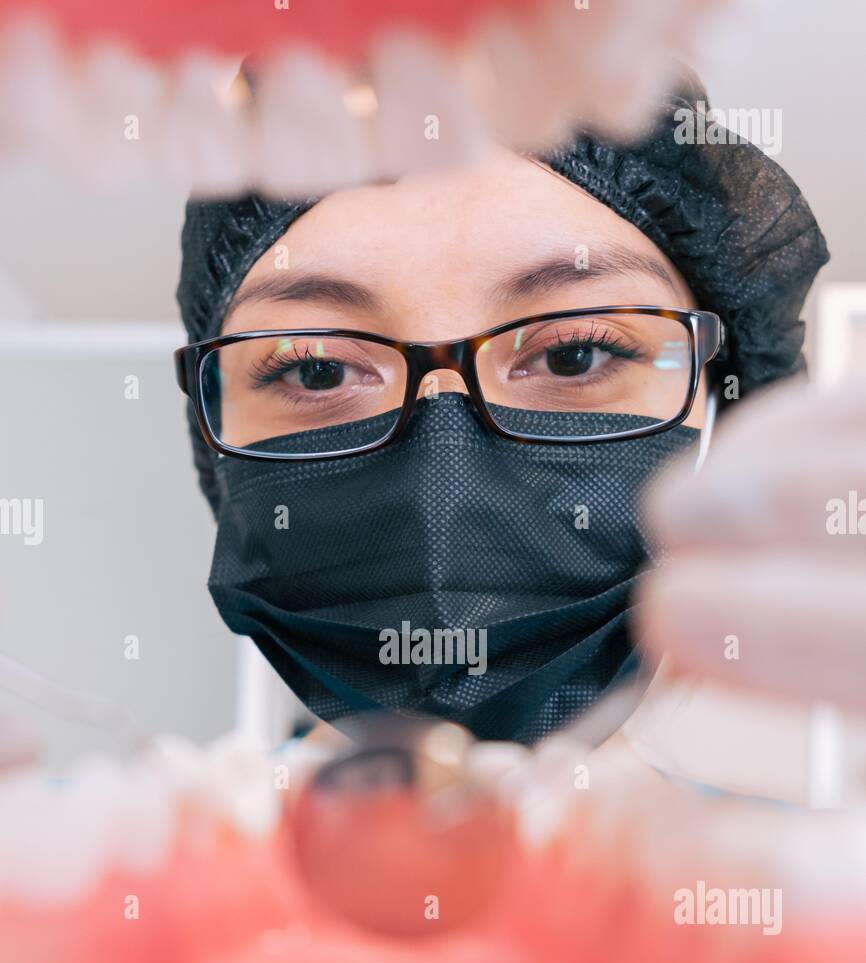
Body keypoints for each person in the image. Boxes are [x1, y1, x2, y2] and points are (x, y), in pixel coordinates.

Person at [175, 76, 827, 748]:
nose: (443, 495)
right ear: (214, 442)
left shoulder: (805, 855)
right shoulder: (84, 845)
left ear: (726, 413)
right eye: (319, 369)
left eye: (574, 355)